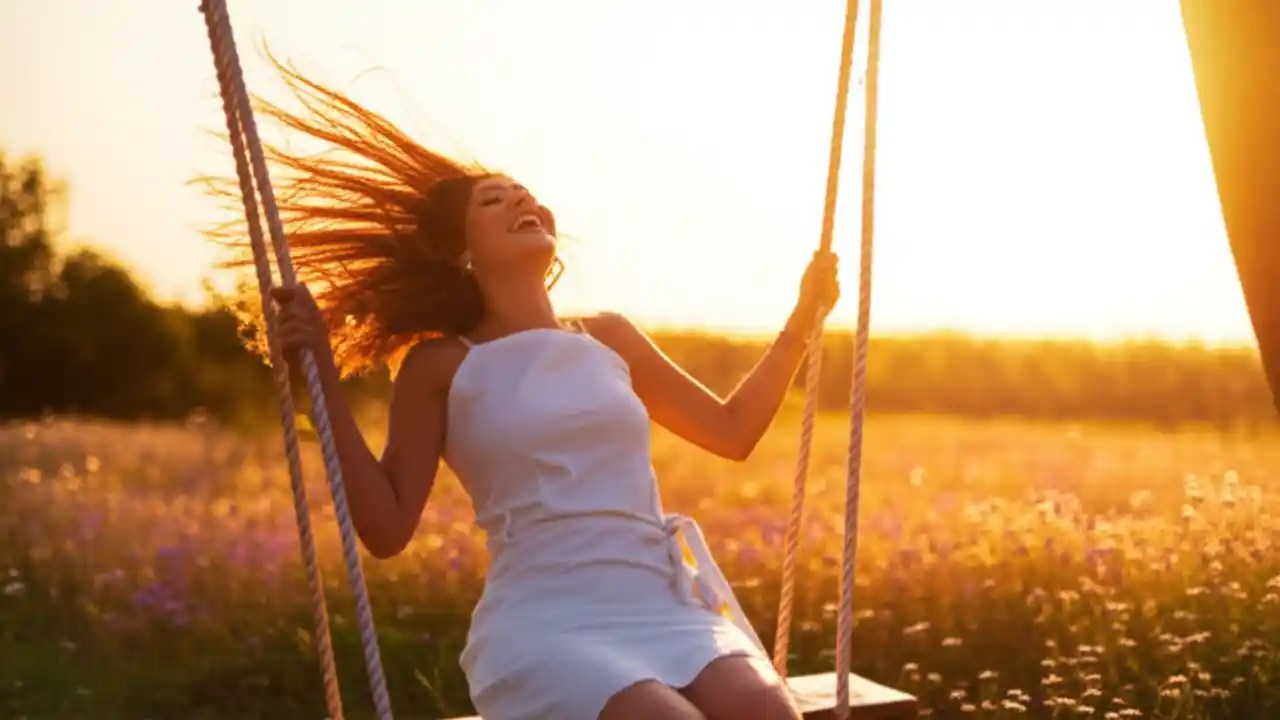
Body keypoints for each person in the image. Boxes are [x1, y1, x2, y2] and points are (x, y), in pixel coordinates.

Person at [246, 61, 840, 720]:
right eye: (494, 200)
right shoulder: (441, 366)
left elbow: (731, 432)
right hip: (546, 624)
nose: (521, 201)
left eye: (523, 192)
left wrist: (801, 322)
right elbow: (386, 528)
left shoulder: (609, 337)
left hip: (663, 605)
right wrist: (321, 375)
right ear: (460, 251)